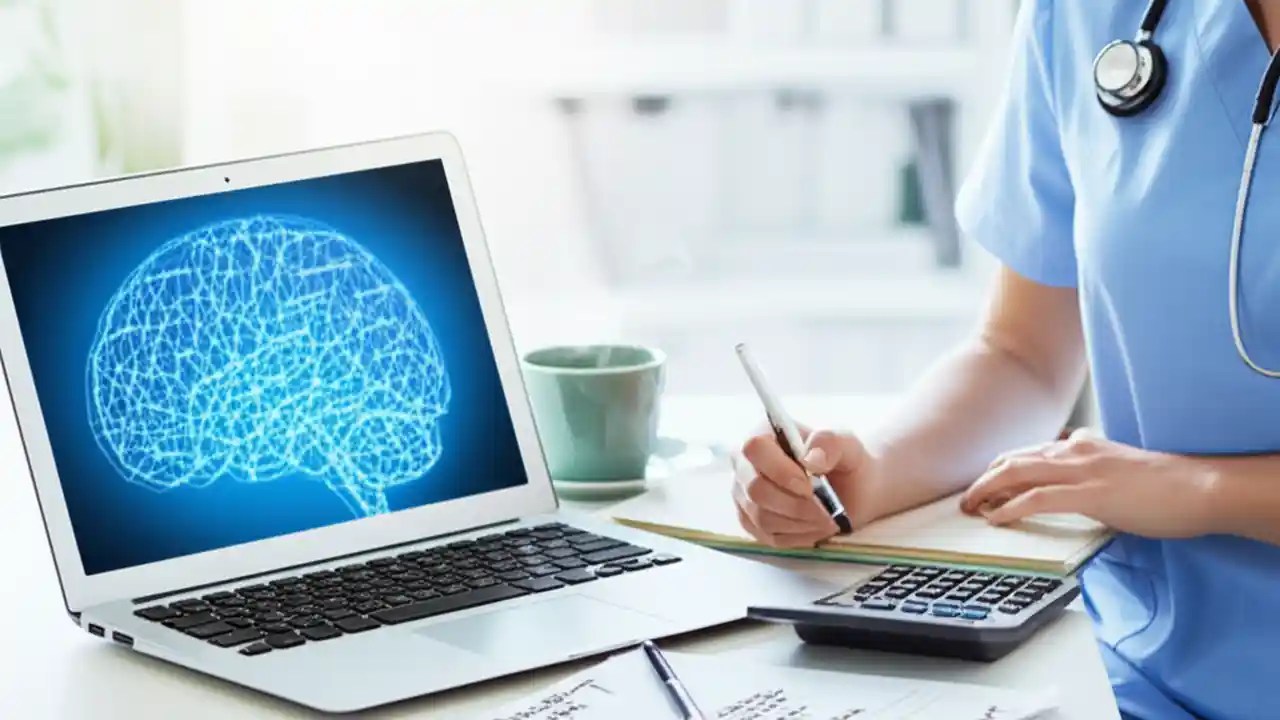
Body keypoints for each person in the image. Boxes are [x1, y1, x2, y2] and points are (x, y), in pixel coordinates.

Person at [732, 2, 1280, 719]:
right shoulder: (1084, 14)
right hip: (1131, 667)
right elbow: (1022, 354)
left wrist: (1200, 490)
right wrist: (871, 471)